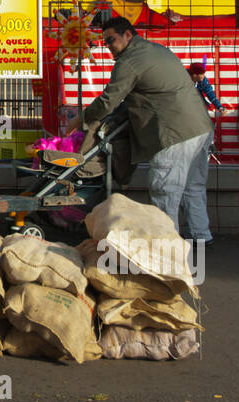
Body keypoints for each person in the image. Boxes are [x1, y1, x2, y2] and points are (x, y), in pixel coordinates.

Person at [66, 17, 214, 244]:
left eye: (111, 40)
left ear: (128, 35)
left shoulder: (130, 61)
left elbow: (108, 101)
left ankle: (165, 242)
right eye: (105, 42)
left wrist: (79, 119)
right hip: (200, 127)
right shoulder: (156, 49)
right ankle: (201, 236)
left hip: (173, 132)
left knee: (165, 189)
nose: (108, 46)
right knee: (192, 186)